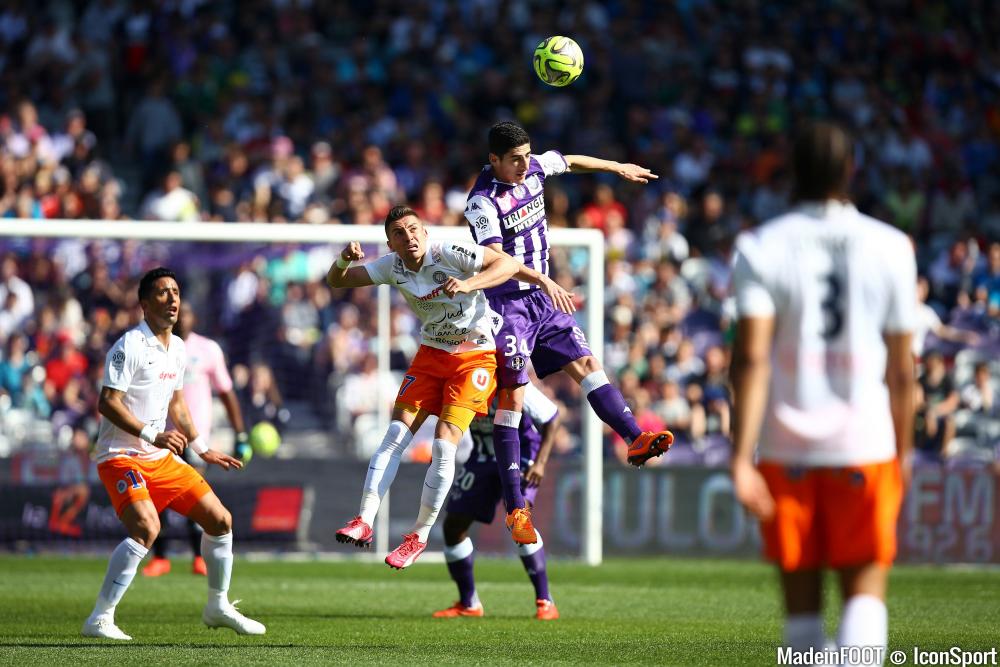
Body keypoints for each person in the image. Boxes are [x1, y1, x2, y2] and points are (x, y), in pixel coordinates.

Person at [729, 121, 915, 664]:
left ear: (794, 170)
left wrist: (740, 458)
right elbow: (903, 372)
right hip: (866, 446)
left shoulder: (760, 246)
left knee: (802, 617)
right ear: (850, 170)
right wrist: (903, 455)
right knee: (864, 594)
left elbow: (751, 359)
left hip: (787, 449)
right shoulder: (892, 247)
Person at [464, 121, 674, 544]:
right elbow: (500, 263)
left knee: (588, 363)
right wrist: (544, 280)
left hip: (544, 301)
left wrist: (616, 167)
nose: (524, 164)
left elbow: (570, 161)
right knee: (513, 399)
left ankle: (635, 438)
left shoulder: (534, 167)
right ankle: (516, 509)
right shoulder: (482, 202)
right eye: (515, 159)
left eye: (527, 156)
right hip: (508, 307)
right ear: (494, 160)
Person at [328, 205, 535, 570]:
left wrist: (470, 283)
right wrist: (344, 259)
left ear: (424, 232)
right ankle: (364, 520)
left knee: (443, 443)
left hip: (474, 356)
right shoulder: (391, 266)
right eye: (399, 233)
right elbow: (338, 281)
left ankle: (419, 536)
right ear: (390, 244)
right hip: (430, 355)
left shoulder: (449, 252)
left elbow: (506, 264)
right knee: (395, 434)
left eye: (413, 229)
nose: (408, 237)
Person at [82, 267, 265, 640]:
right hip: (120, 455)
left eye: (176, 292)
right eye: (163, 293)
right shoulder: (129, 345)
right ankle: (100, 618)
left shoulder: (179, 348)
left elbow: (177, 404)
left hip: (159, 458)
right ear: (145, 304)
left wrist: (202, 448)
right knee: (147, 528)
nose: (172, 299)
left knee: (220, 520)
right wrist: (153, 434)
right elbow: (107, 402)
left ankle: (217, 606)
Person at [434, 381, 560, 620]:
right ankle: (469, 603)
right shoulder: (464, 382)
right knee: (453, 526)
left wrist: (541, 463)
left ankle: (545, 601)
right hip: (482, 457)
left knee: (520, 522)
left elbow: (552, 417)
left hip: (520, 456)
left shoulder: (513, 381)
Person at [143, 302, 250, 578]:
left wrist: (240, 434)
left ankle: (198, 558)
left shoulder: (208, 349)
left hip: (196, 435)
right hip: (161, 435)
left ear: (195, 318)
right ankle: (160, 558)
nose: (181, 317)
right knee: (157, 498)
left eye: (186, 312)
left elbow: (226, 392)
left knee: (193, 495)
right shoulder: (155, 348)